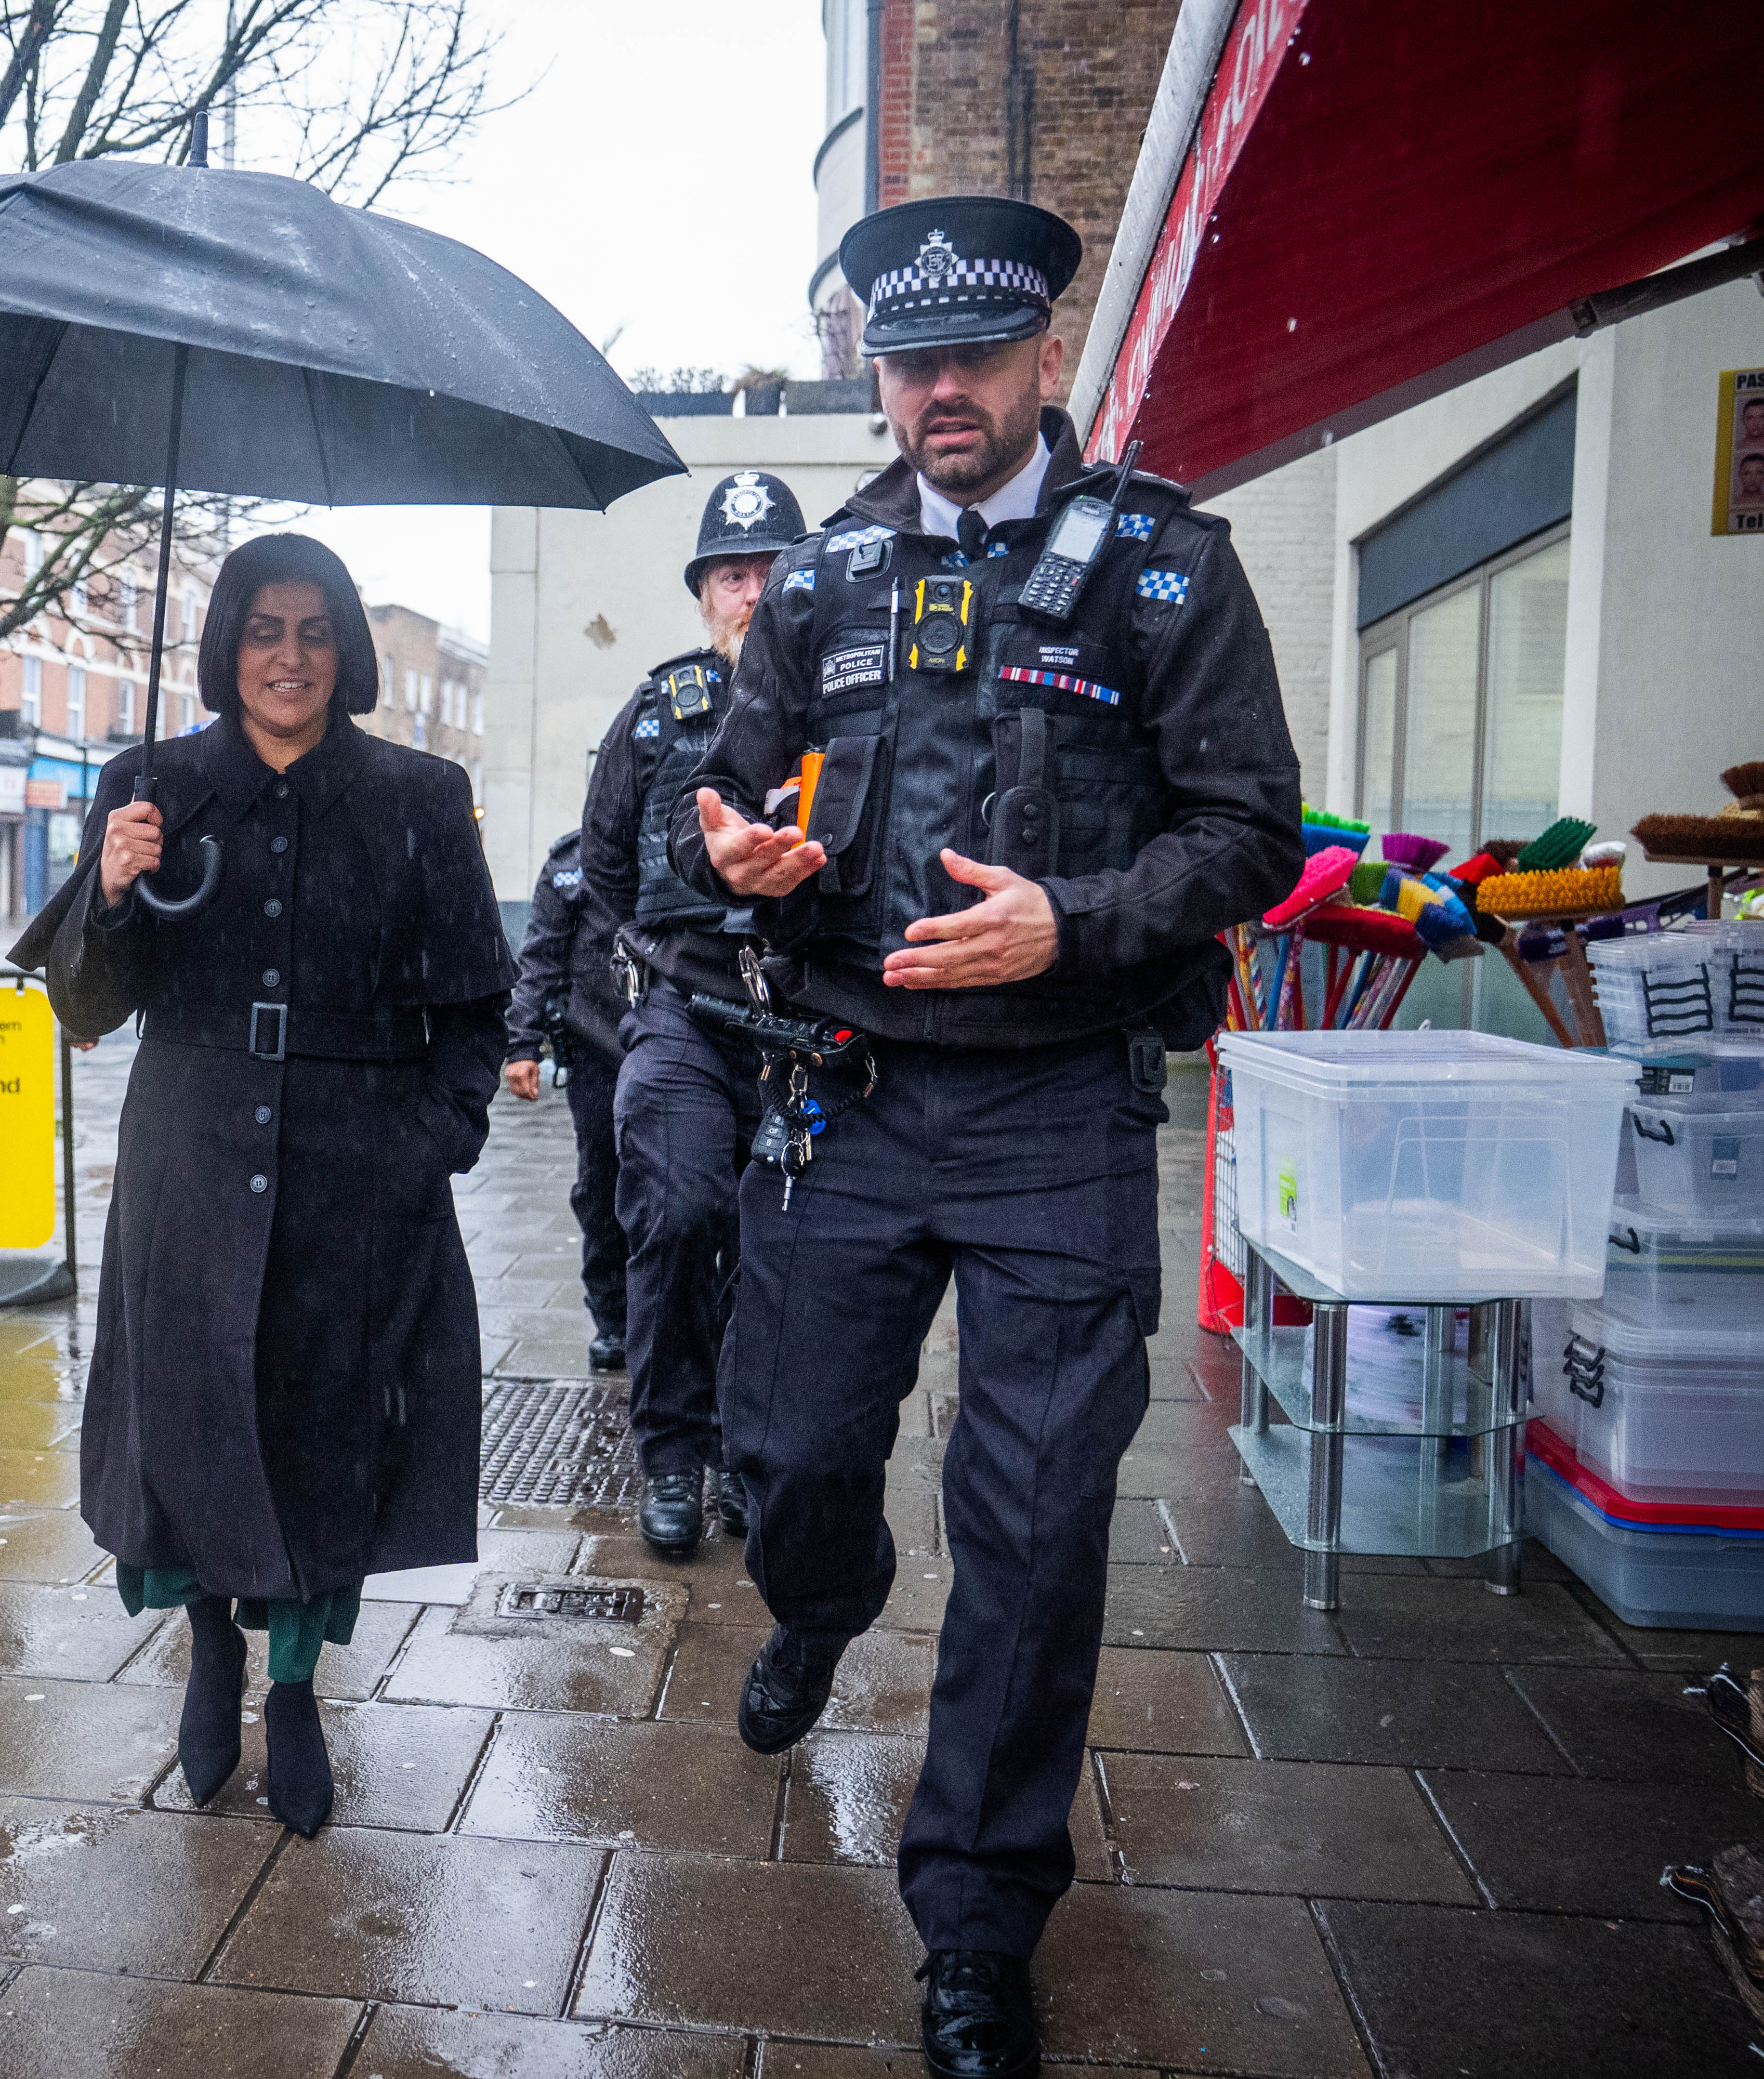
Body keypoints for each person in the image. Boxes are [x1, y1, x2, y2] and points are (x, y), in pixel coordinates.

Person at [667, 198, 1301, 2078]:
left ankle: (972, 1916)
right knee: (788, 1452)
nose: (939, 388)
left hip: (1053, 1109)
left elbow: (1250, 828)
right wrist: (744, 853)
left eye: (973, 354)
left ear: (1042, 358)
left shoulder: (1162, 569)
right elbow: (728, 798)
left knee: (1030, 1529)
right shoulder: (819, 582)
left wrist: (1072, 922)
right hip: (849, 1092)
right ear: (877, 375)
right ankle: (822, 1598)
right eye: (907, 361)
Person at [10, 532, 510, 1839]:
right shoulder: (151, 787)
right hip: (186, 1146)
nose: (288, 657)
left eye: (314, 631)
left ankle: (293, 1684)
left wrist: (432, 1138)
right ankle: (209, 1645)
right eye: (262, 631)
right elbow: (82, 1005)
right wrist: (111, 886)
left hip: (357, 1158)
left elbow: (475, 1007)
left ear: (345, 648)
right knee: (187, 1415)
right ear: (224, 644)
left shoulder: (419, 795)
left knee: (321, 1427)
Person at [578, 470, 805, 1557]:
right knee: (674, 1214)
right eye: (730, 575)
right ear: (703, 593)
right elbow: (604, 864)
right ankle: (672, 1451)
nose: (750, 594)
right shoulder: (656, 711)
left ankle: (747, 1449)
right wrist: (674, 954)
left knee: (782, 1246)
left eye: (770, 573)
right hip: (684, 1008)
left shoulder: (847, 703)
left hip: (808, 1021)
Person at [501, 830, 628, 1370]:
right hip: (599, 1053)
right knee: (602, 1190)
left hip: (679, 1047)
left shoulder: (677, 845)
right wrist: (522, 1044)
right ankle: (614, 1320)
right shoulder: (570, 864)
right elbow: (541, 958)